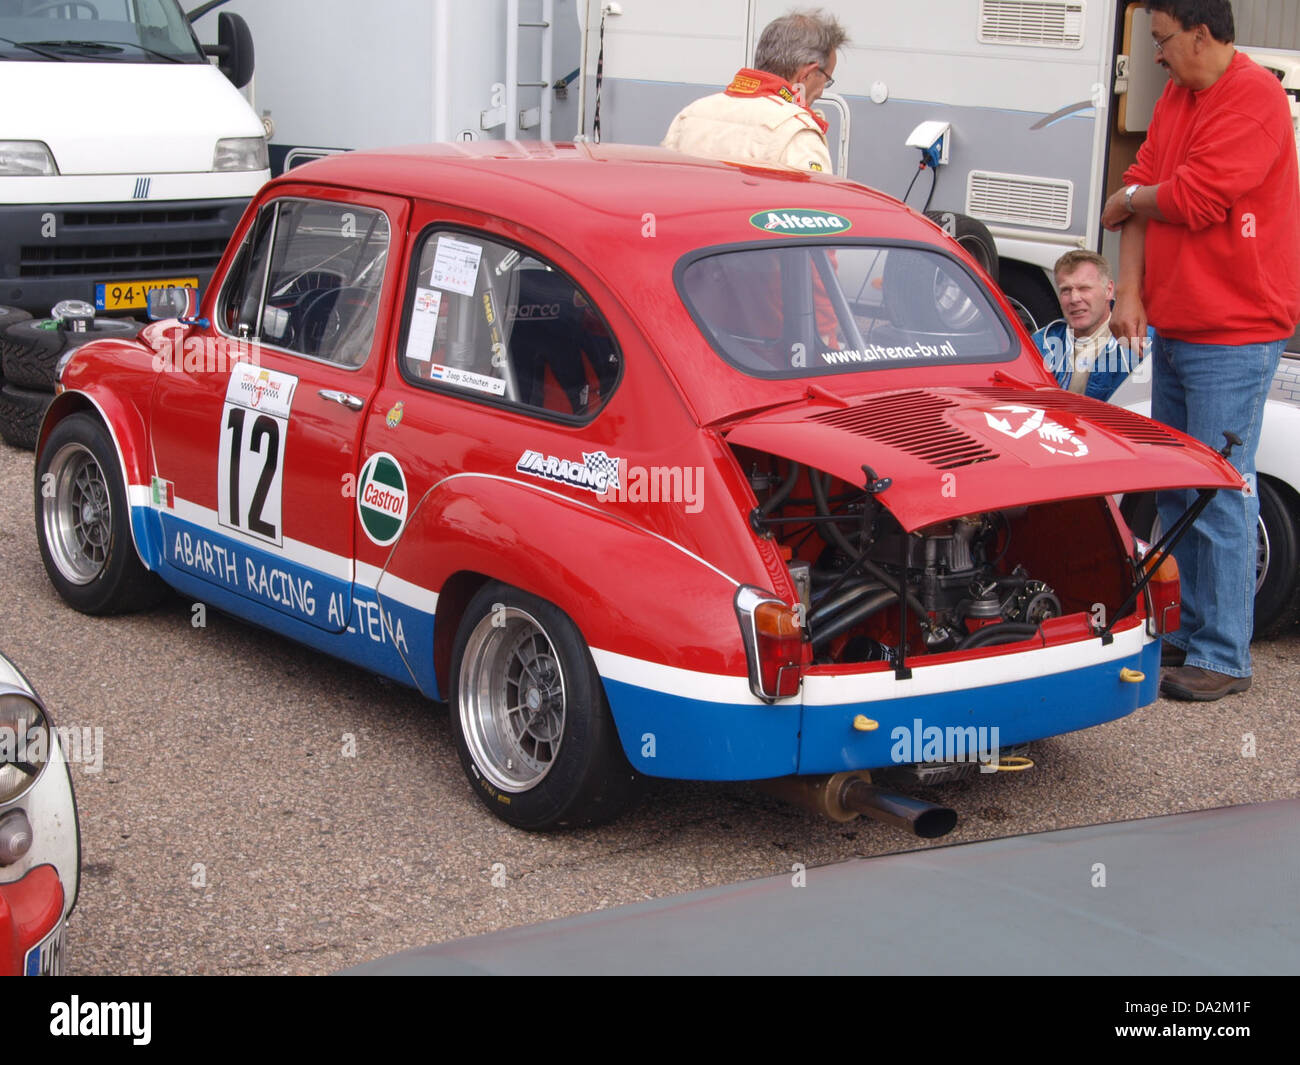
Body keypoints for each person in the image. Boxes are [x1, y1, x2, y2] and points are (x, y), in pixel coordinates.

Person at [1101, 0, 1300, 701]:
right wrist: (1129, 293)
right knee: (1183, 487)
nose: (1155, 55)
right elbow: (1130, 201)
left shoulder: (1254, 97)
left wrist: (1139, 196)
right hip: (1180, 326)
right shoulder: (1181, 97)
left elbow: (1194, 199)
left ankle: (1223, 654)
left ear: (1202, 33)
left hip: (1236, 330)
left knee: (1219, 486)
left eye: (1161, 40)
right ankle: (1189, 632)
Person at [661, 9, 847, 174]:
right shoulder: (797, 134)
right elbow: (811, 209)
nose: (822, 91)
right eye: (826, 79)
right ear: (807, 74)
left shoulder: (690, 114)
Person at [1032, 250, 1150, 401]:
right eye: (1066, 290)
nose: (1074, 299)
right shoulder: (1042, 342)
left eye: (1084, 288)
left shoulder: (1141, 344)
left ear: (1108, 290)